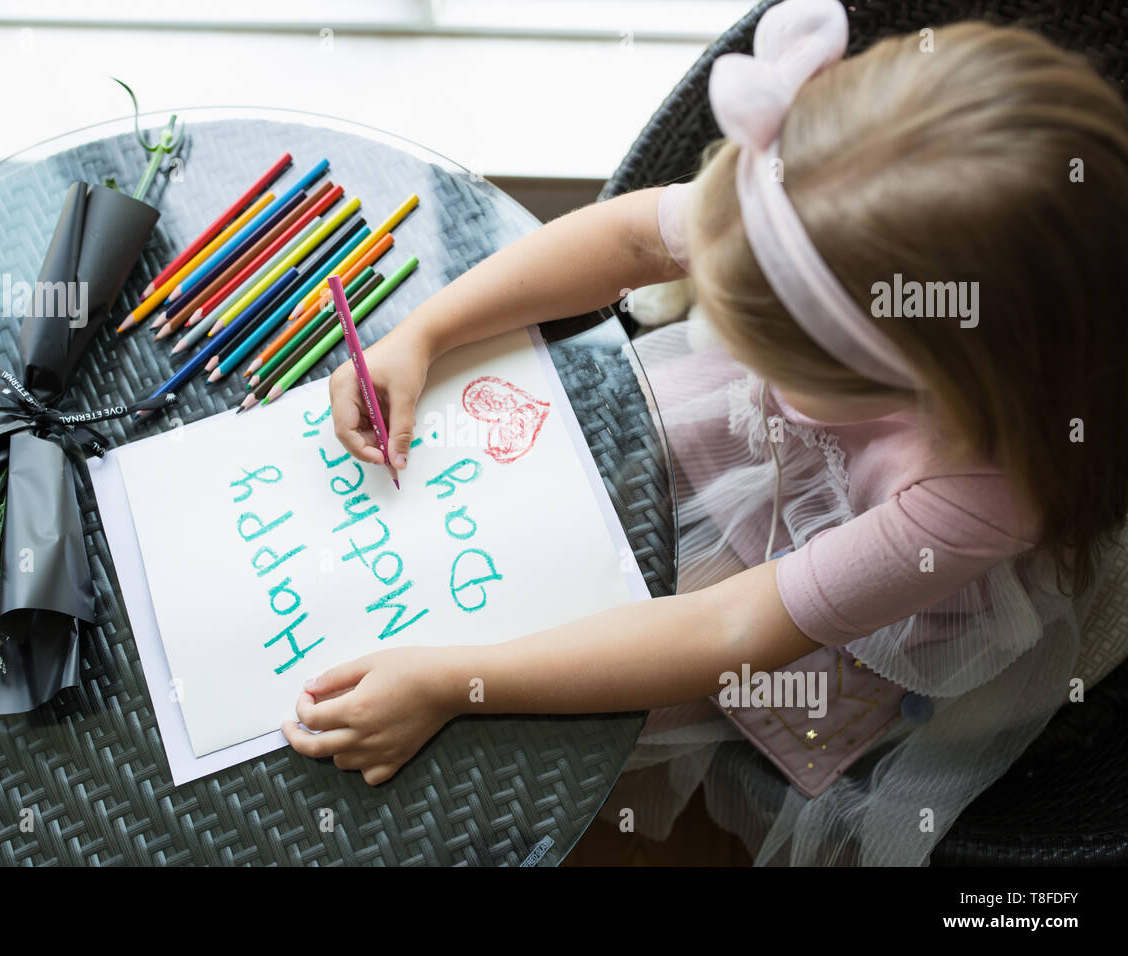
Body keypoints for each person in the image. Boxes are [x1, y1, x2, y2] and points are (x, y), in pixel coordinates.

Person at [280, 0, 1128, 864]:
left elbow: (729, 633)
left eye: (764, 345)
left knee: (597, 684)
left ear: (928, 373)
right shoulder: (805, 195)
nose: (715, 316)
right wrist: (425, 333)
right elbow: (627, 239)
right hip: (731, 440)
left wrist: (455, 683)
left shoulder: (979, 498)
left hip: (826, 573)